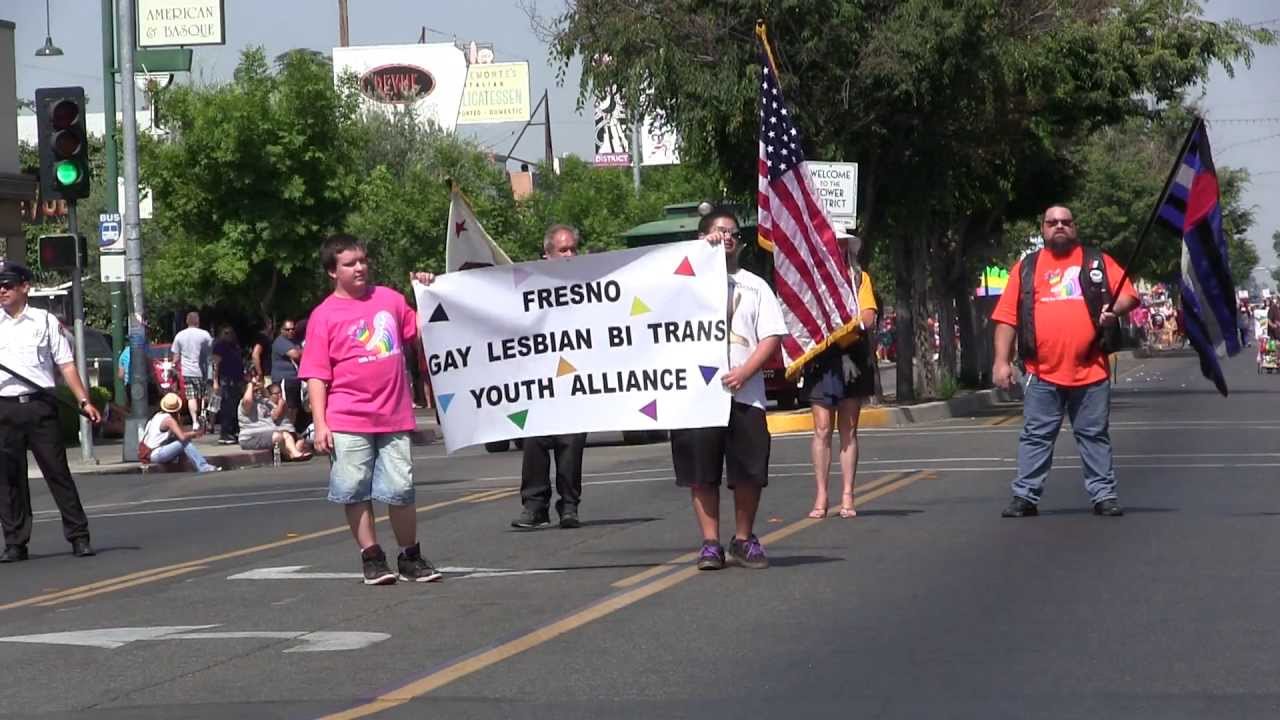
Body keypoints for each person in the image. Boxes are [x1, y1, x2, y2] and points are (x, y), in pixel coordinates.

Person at [300, 233, 442, 586]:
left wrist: (427, 291)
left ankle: (410, 556)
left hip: (393, 415)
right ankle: (372, 557)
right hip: (347, 418)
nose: (360, 267)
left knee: (400, 488)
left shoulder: (390, 300)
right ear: (333, 272)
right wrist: (320, 424)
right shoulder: (323, 316)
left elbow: (424, 331)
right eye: (350, 263)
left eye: (363, 260)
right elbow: (316, 375)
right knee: (356, 490)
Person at [992, 205, 1138, 518]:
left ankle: (1104, 495)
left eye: (1065, 222)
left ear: (1075, 228)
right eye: (1052, 222)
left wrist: (1115, 310)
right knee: (1036, 436)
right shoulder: (1026, 267)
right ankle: (1025, 497)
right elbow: (1006, 318)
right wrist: (1001, 362)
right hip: (1041, 373)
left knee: (1093, 435)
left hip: (1091, 370)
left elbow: (1127, 294)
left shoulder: (1096, 260)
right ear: (1043, 229)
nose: (1059, 226)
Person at [669, 208, 786, 571]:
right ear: (703, 236)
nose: (728, 238)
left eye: (733, 233)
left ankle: (744, 538)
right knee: (701, 472)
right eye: (719, 232)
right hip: (697, 398)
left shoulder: (755, 286)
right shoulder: (681, 283)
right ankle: (709, 543)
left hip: (745, 396)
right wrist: (698, 254)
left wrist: (746, 371)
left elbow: (770, 335)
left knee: (749, 470)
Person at [0, 260, 102, 562]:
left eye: (8, 285)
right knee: (8, 480)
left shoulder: (44, 321)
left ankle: (78, 536)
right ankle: (15, 542)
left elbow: (66, 365)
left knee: (58, 473)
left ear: (24, 287)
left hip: (39, 406)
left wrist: (84, 400)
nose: (2, 290)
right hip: (3, 408)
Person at [511, 224, 591, 530]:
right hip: (538, 381)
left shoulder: (590, 285)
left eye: (573, 248)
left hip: (576, 381)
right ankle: (535, 507)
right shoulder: (526, 287)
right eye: (563, 249)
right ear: (546, 255)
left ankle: (569, 506)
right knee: (535, 443)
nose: (569, 254)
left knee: (571, 444)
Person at [803, 227, 878, 519]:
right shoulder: (814, 280)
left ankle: (848, 494)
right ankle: (821, 494)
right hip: (822, 357)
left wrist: (844, 324)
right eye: (833, 242)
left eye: (842, 242)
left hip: (852, 356)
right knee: (821, 429)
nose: (838, 246)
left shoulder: (859, 278)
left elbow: (868, 317)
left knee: (849, 429)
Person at [139, 392, 221, 473]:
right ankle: (203, 466)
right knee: (185, 443)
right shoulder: (169, 420)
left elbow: (176, 435)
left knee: (178, 441)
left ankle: (181, 466)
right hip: (156, 453)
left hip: (150, 453)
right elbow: (182, 436)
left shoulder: (157, 416)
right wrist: (195, 433)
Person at [238, 378, 311, 460]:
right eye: (254, 391)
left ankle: (294, 453)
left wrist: (261, 387)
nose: (257, 392)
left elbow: (268, 397)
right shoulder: (244, 405)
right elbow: (248, 400)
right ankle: (290, 455)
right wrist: (250, 384)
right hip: (251, 437)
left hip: (268, 434)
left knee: (286, 435)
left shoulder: (264, 402)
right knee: (278, 436)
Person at [170, 311, 213, 431]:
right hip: (204, 370)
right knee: (205, 394)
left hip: (188, 371)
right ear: (198, 321)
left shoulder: (180, 335)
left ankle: (194, 421)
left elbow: (176, 356)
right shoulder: (205, 335)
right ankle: (204, 413)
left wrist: (173, 366)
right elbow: (211, 352)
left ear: (187, 322)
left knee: (191, 397)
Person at [211, 325, 244, 445]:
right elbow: (215, 364)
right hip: (225, 380)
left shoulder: (235, 346)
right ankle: (225, 433)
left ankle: (234, 431)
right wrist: (215, 381)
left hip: (236, 380)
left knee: (235, 407)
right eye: (225, 332)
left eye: (229, 332)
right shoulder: (219, 346)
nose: (228, 335)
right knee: (226, 408)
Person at [272, 317, 303, 422]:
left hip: (295, 378)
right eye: (287, 329)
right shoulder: (280, 341)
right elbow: (295, 355)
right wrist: (302, 351)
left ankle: (291, 430)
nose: (291, 331)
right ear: (282, 330)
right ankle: (283, 429)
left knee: (294, 407)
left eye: (293, 329)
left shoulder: (294, 341)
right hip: (284, 379)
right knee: (286, 406)